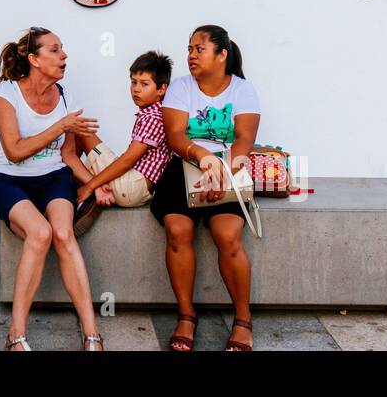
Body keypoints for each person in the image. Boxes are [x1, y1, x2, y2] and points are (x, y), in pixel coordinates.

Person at [0, 26, 104, 351]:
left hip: (53, 177)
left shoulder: (65, 97)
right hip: (7, 178)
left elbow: (67, 154)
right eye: (54, 50)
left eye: (62, 48)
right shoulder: (6, 96)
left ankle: (92, 333)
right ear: (34, 59)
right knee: (40, 234)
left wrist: (94, 184)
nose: (63, 55)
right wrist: (60, 125)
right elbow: (15, 151)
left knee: (63, 234)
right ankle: (16, 335)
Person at [150, 25, 261, 352]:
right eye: (189, 49)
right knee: (178, 229)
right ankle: (186, 315)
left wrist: (225, 170)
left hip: (230, 168)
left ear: (222, 54)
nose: (191, 55)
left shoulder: (242, 89)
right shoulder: (181, 87)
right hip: (185, 166)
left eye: (199, 48)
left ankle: (243, 320)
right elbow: (175, 135)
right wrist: (205, 160)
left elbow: (244, 139)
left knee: (227, 235)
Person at [70, 51, 175, 230]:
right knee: (81, 144)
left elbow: (128, 160)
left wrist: (89, 185)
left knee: (80, 132)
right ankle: (92, 196)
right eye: (133, 82)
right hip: (137, 190)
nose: (136, 89)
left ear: (161, 89)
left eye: (144, 84)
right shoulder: (159, 113)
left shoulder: (153, 117)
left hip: (132, 186)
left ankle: (82, 194)